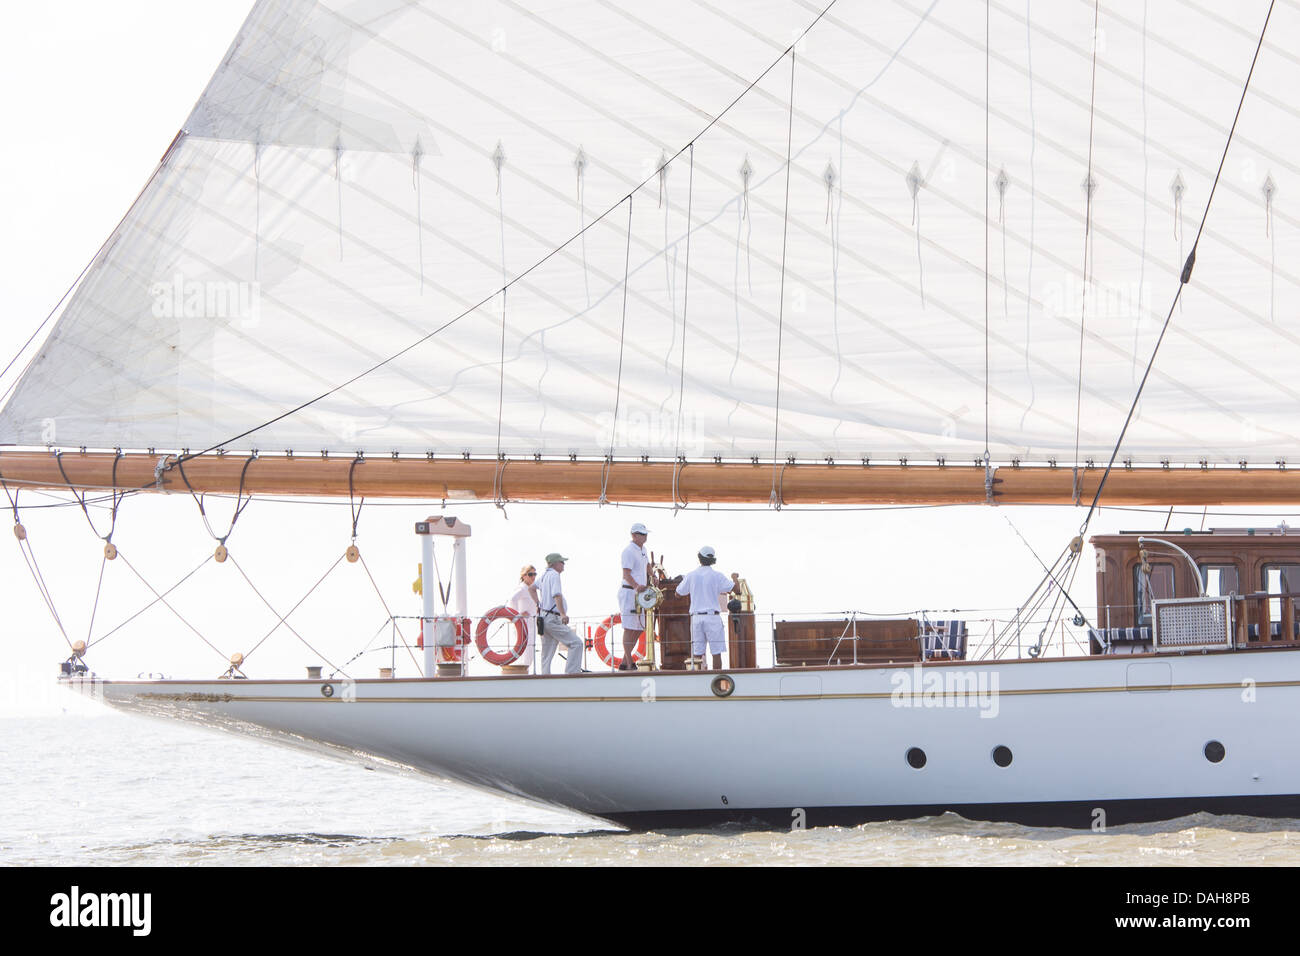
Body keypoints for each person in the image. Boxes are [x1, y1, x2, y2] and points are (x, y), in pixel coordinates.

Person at [675, 546, 741, 671]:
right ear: (713, 560)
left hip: (696, 617)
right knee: (716, 653)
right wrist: (734, 577)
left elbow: (677, 594)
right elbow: (737, 590)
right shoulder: (717, 576)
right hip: (712, 617)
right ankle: (717, 681)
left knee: (697, 654)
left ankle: (696, 682)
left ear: (699, 558)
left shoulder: (691, 575)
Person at [536, 552, 584, 674]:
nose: (564, 564)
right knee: (576, 643)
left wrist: (538, 604)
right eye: (562, 562)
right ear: (555, 564)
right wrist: (563, 614)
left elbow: (532, 588)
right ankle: (572, 674)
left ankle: (544, 678)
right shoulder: (554, 575)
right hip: (553, 618)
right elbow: (557, 595)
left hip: (543, 617)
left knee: (547, 653)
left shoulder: (543, 576)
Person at [616, 522, 650, 671]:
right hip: (630, 592)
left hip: (640, 594)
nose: (645, 536)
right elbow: (626, 573)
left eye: (645, 534)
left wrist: (652, 574)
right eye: (641, 534)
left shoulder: (643, 550)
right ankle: (629, 662)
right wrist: (637, 586)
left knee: (639, 627)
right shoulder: (628, 551)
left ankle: (625, 661)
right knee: (629, 627)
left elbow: (647, 564)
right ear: (634, 535)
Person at [507, 564, 540, 672]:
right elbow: (511, 600)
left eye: (535, 574)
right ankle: (522, 672)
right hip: (523, 625)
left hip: (530, 625)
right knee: (525, 652)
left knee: (529, 652)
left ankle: (526, 672)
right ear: (524, 576)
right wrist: (517, 615)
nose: (533, 577)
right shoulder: (522, 588)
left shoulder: (530, 589)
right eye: (530, 574)